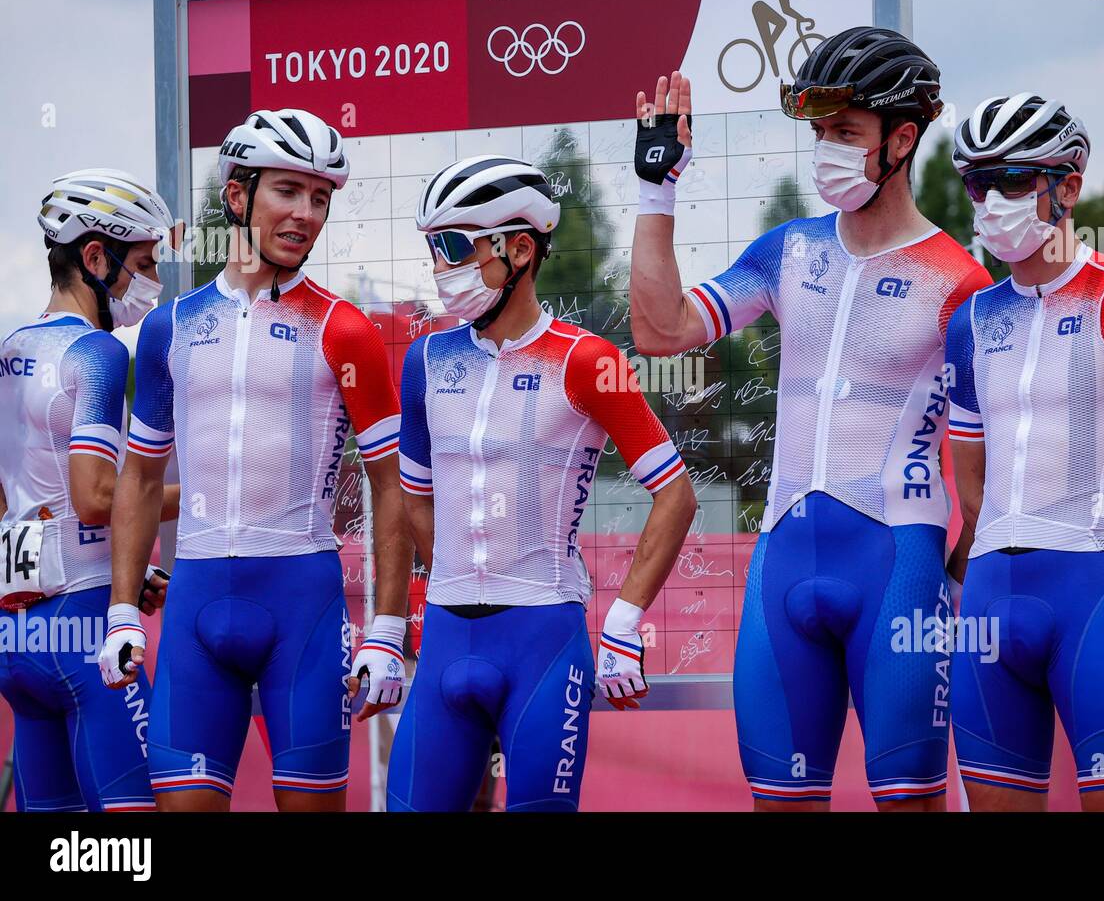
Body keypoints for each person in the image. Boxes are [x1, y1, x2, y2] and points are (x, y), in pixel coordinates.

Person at [629, 27, 992, 810]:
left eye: (845, 132)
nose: (824, 148)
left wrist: (962, 581)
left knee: (914, 800)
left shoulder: (959, 280)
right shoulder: (788, 250)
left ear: (901, 140)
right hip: (782, 566)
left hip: (898, 568)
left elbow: (991, 461)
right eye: (819, 131)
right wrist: (657, 192)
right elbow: (660, 331)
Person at [105, 109, 414, 811]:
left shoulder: (346, 329)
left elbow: (389, 486)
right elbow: (143, 475)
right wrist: (124, 608)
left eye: (320, 198)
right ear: (237, 196)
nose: (306, 214)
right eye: (287, 191)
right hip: (195, 605)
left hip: (301, 601)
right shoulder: (168, 328)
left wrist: (387, 631)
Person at [389, 155, 697, 811]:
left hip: (542, 643)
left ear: (520, 248)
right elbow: (411, 494)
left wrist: (624, 619)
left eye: (454, 246)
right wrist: (437, 584)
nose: (441, 266)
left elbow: (675, 493)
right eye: (433, 248)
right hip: (445, 635)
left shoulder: (587, 360)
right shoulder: (427, 359)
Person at [945, 93, 1104, 810]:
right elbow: (970, 486)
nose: (991, 199)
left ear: (1068, 185)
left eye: (1011, 180)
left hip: (1096, 588)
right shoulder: (969, 321)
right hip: (994, 595)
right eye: (976, 182)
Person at [0, 168, 180, 811]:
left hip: (18, 639)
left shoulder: (9, 349)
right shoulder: (99, 353)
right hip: (85, 633)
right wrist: (206, 494)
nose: (151, 281)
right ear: (95, 257)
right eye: (143, 263)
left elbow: (16, 502)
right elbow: (98, 497)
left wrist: (123, 562)